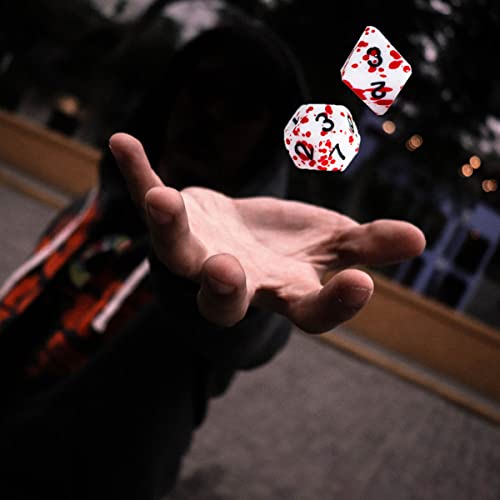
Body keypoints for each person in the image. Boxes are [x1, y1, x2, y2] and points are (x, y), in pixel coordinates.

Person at [0, 13, 426, 500]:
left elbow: (245, 329)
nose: (213, 113)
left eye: (245, 105)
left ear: (268, 136)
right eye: (203, 88)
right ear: (171, 96)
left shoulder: (257, 255)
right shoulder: (98, 203)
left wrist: (215, 283)